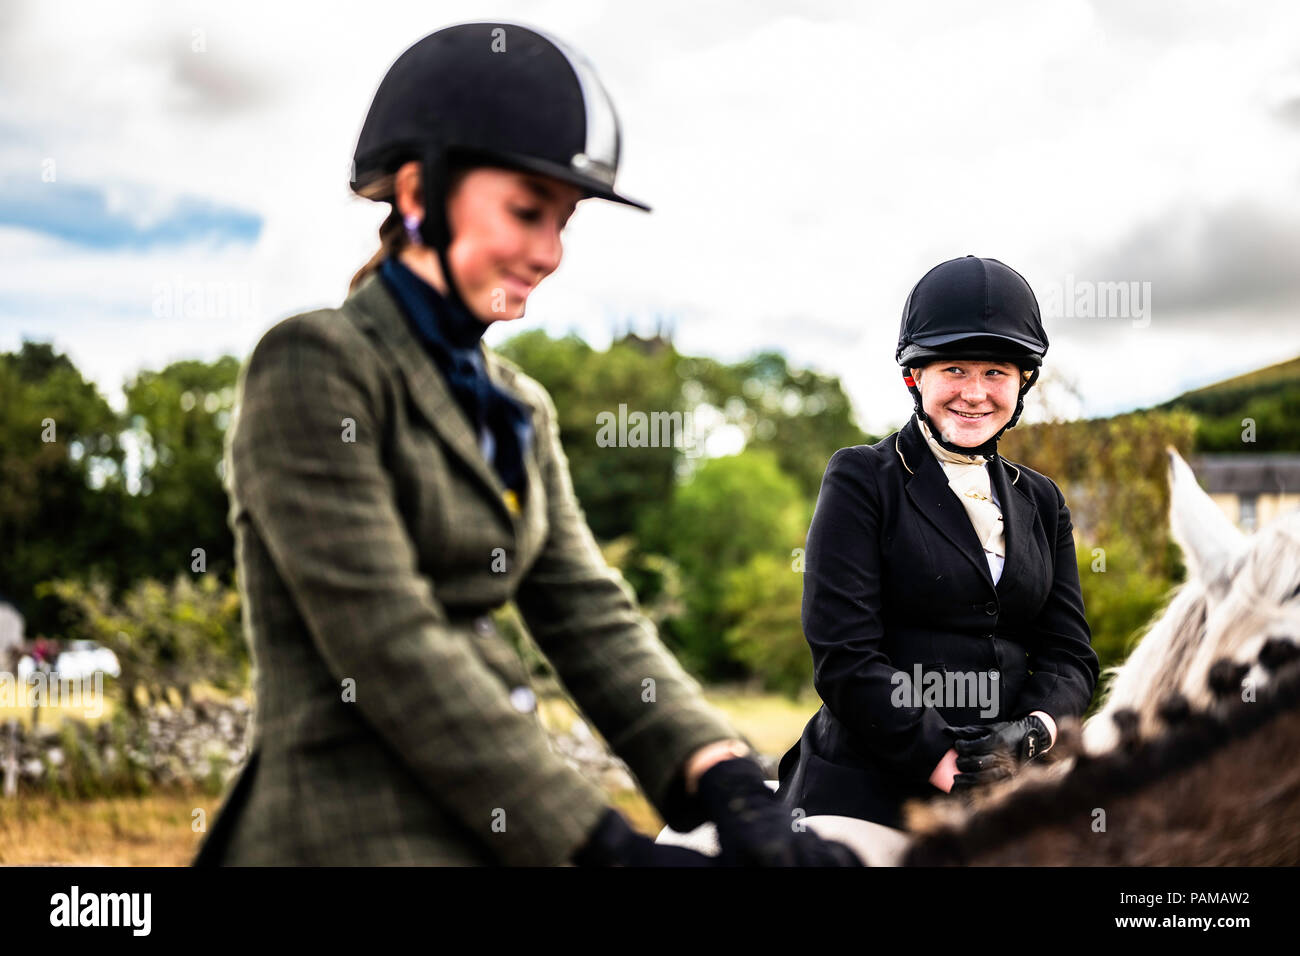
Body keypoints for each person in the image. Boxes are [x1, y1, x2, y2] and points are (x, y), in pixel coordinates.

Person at [192, 22, 857, 867]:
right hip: (341, 835)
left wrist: (729, 783)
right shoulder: (314, 364)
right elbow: (389, 642)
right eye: (526, 212)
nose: (549, 253)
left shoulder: (521, 406)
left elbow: (588, 612)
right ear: (418, 192)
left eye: (565, 220)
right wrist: (603, 848)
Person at [775, 255, 1100, 830]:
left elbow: (1069, 655)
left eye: (996, 372)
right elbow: (845, 656)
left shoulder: (1042, 500)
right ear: (915, 376)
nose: (975, 394)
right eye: (954, 369)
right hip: (871, 781)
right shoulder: (860, 478)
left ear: (1022, 381)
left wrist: (1032, 732)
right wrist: (946, 760)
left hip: (1015, 784)